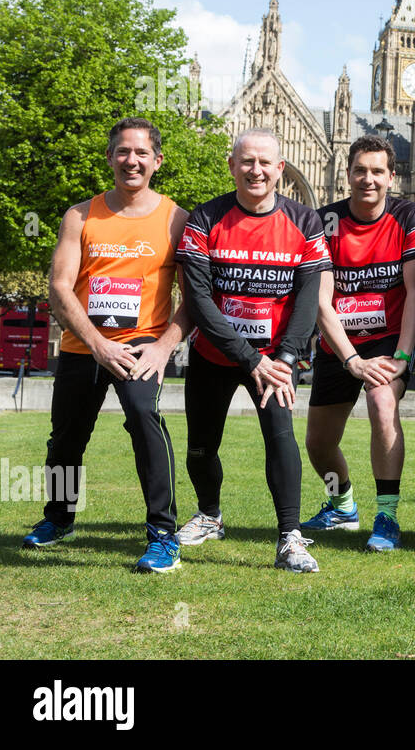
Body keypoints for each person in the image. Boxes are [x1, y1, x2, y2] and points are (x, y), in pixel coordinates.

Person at [23, 117, 190, 573]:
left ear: (157, 161)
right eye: (122, 151)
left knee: (143, 417)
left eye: (140, 153)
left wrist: (163, 346)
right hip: (84, 345)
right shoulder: (80, 215)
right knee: (65, 439)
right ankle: (58, 520)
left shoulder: (177, 219)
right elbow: (59, 287)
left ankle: (162, 535)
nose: (131, 160)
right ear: (110, 158)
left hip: (141, 344)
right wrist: (96, 344)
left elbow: (194, 297)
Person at [175, 128, 332, 572]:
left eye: (265, 162)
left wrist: (284, 360)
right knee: (201, 445)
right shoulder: (204, 219)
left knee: (280, 438)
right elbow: (199, 301)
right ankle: (209, 515)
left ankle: (290, 538)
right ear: (232, 166)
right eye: (246, 161)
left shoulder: (305, 221)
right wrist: (249, 358)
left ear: (280, 169)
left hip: (276, 358)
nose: (256, 170)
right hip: (216, 353)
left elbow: (308, 298)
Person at [300, 136, 415, 552]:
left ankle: (386, 516)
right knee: (318, 443)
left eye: (377, 172)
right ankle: (342, 505)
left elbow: (414, 292)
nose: (368, 179)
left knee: (381, 402)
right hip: (339, 344)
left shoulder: (407, 215)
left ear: (392, 176)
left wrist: (404, 358)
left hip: (390, 340)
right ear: (348, 173)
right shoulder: (324, 221)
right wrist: (350, 359)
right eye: (360, 171)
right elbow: (321, 299)